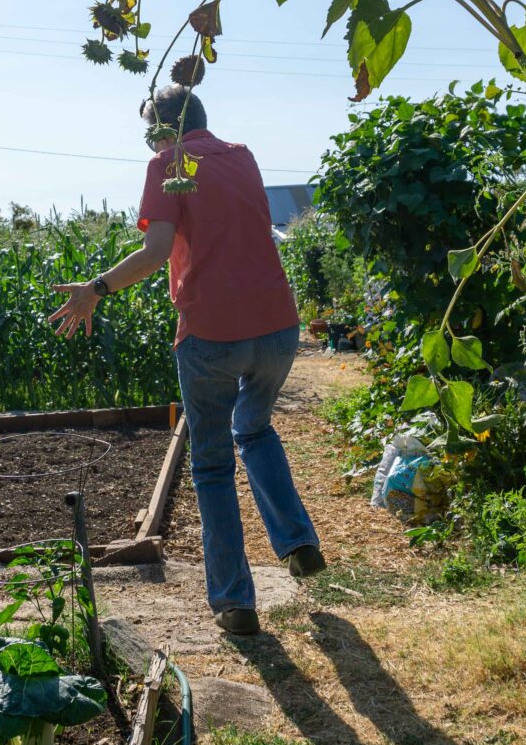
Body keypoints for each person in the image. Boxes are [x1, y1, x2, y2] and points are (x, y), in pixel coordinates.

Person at [49, 83, 324, 635]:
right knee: (255, 428)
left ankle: (234, 602)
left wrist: (95, 289)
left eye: (149, 131)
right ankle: (297, 542)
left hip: (212, 333)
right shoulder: (242, 156)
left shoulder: (167, 164)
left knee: (213, 463)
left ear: (163, 127)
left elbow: (155, 252)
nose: (149, 143)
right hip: (277, 326)